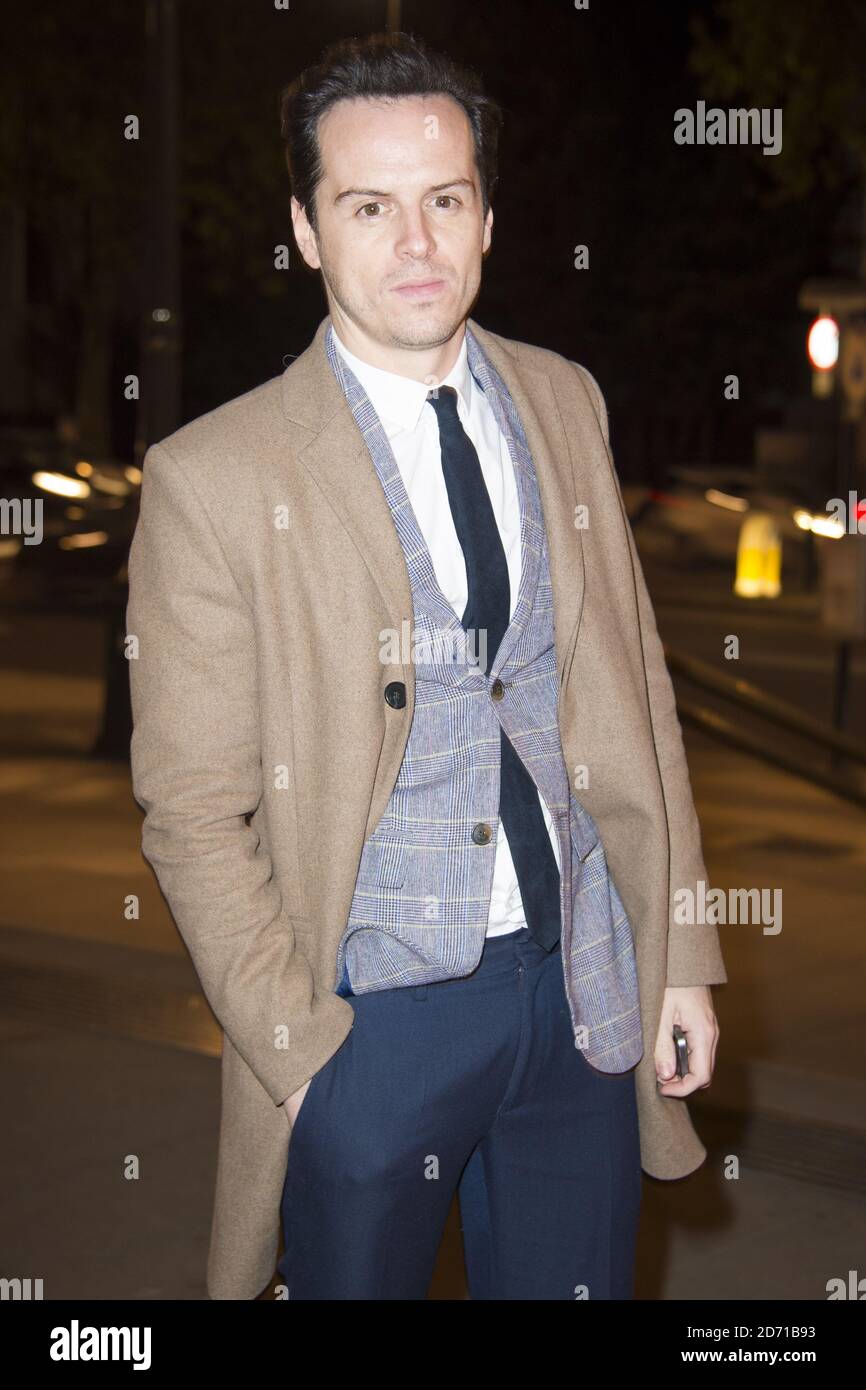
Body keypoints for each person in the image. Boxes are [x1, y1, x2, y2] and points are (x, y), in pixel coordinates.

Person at [126, 29, 725, 1302]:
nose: (415, 242)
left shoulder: (563, 400)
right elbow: (189, 809)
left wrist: (678, 950)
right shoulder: (213, 477)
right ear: (305, 229)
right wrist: (302, 1055)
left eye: (444, 200)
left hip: (581, 994)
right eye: (368, 206)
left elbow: (637, 694)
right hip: (371, 1024)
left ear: (487, 218)